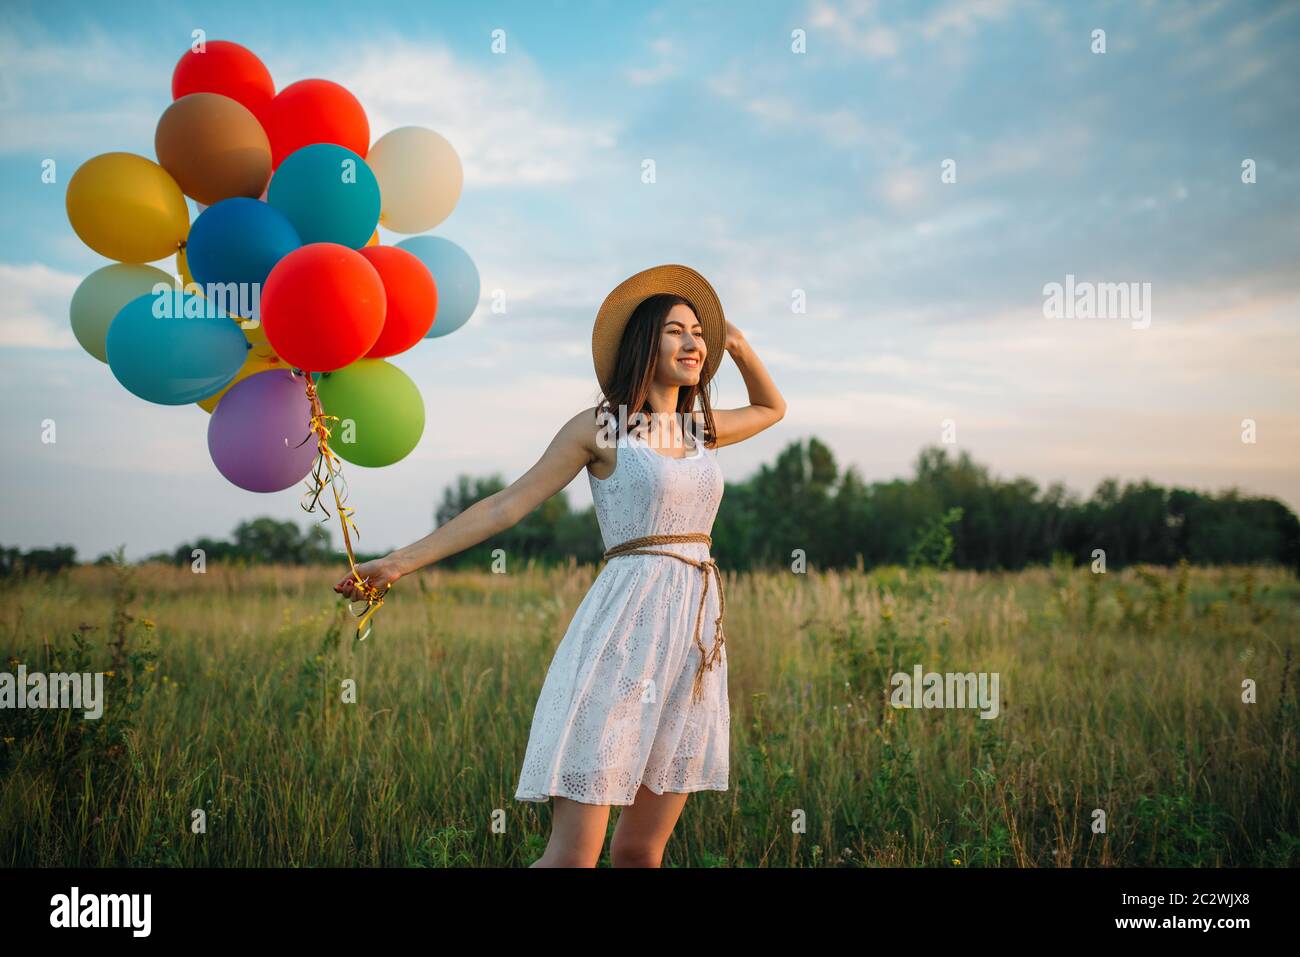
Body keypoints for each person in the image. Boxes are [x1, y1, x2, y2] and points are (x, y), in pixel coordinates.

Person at [335, 264, 786, 866]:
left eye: (699, 333)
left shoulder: (701, 427)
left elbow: (771, 406)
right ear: (642, 344)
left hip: (694, 639)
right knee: (575, 856)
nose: (693, 343)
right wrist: (399, 562)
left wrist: (737, 341)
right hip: (623, 635)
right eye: (676, 331)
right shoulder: (602, 427)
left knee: (640, 853)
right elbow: (506, 504)